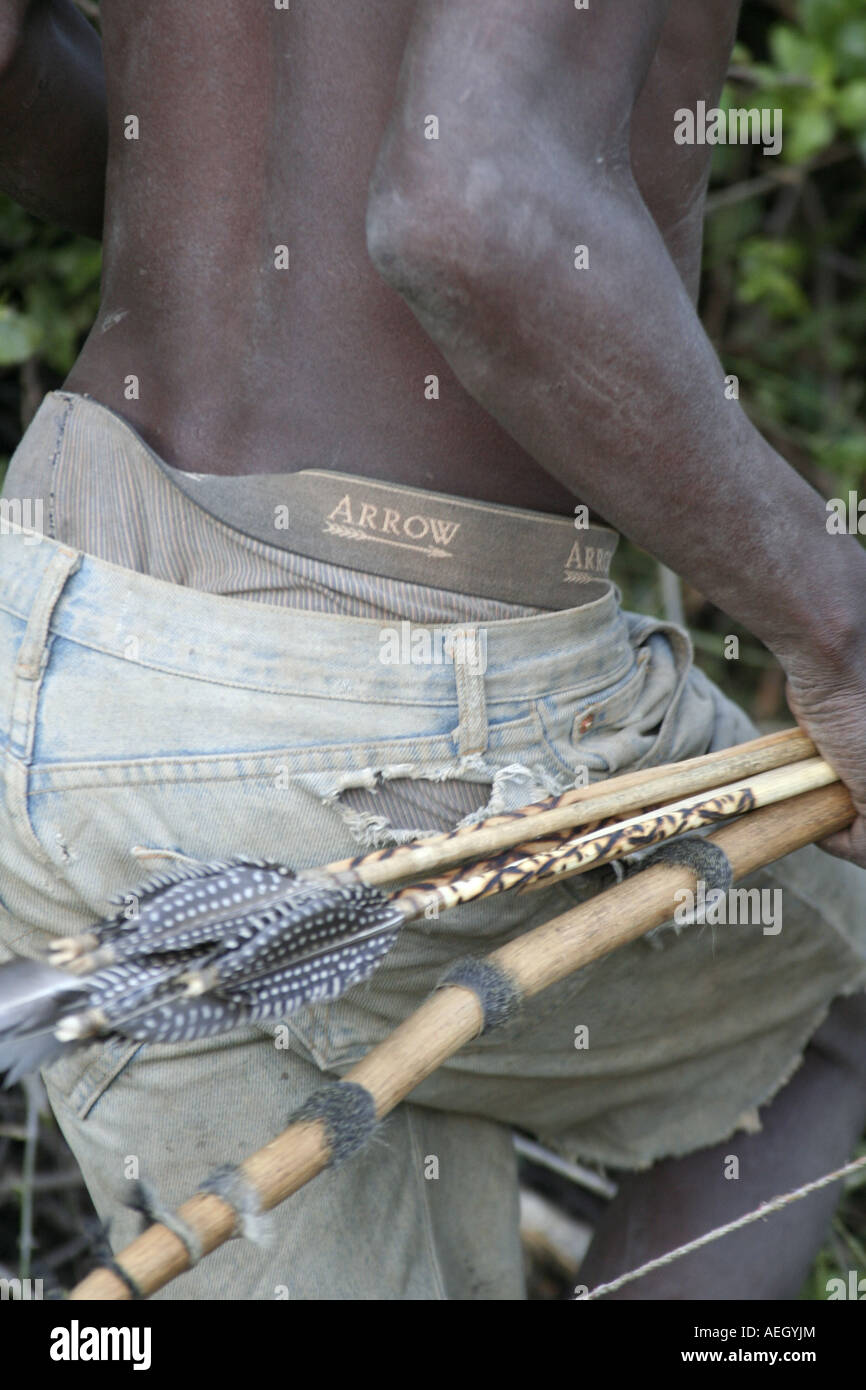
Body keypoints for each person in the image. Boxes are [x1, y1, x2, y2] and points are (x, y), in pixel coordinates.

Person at [0, 0, 863, 1300]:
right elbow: (469, 207)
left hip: (56, 652)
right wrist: (840, 635)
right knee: (836, 1002)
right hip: (385, 704)